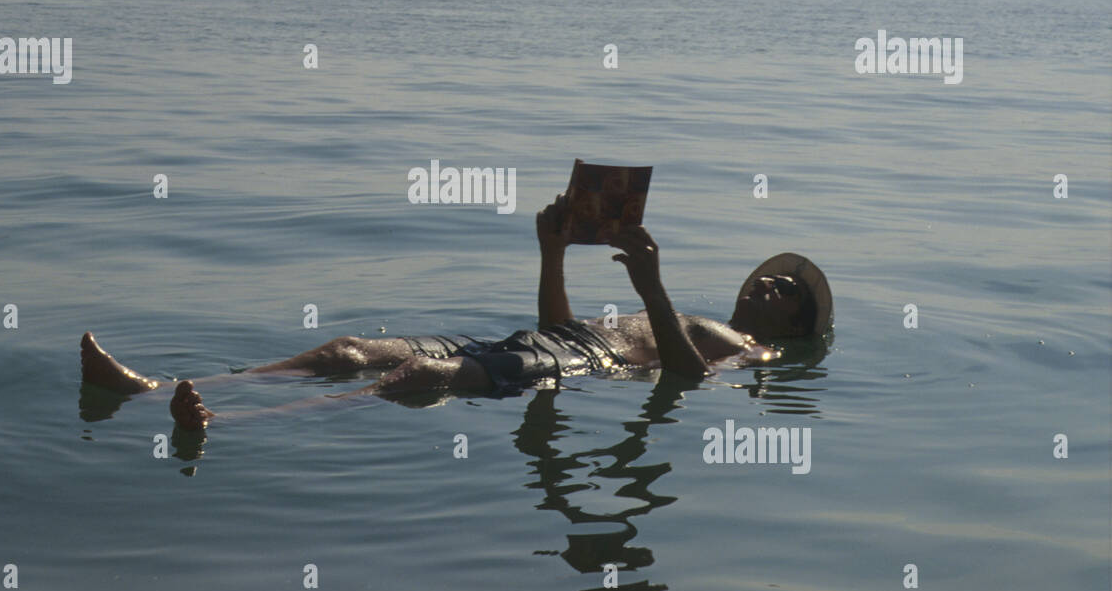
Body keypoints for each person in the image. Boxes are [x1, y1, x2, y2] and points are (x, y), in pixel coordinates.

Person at [79, 194, 832, 431]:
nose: (767, 288)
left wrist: (651, 292)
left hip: (577, 366)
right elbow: (560, 327)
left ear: (796, 330)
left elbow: (689, 380)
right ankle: (150, 388)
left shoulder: (755, 357)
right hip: (552, 343)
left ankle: (224, 421)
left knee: (417, 374)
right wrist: (550, 251)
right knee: (348, 348)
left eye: (785, 293)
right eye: (769, 279)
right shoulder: (700, 311)